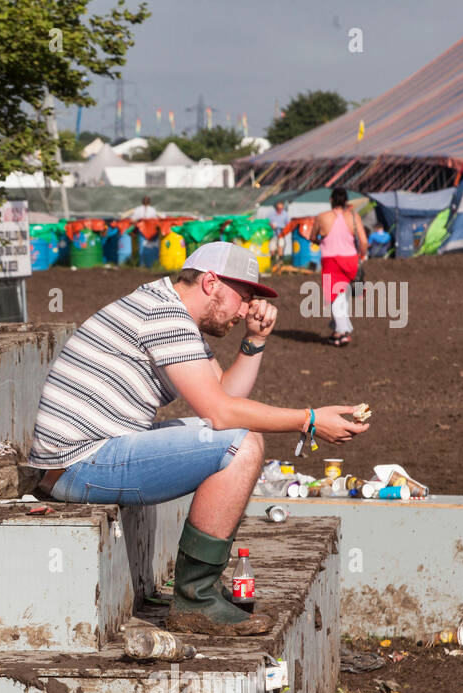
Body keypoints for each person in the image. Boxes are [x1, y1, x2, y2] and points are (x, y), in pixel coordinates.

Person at [26, 241, 368, 636]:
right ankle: (196, 598)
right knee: (241, 444)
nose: (245, 311)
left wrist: (254, 341)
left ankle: (199, 590)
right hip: (79, 463)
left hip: (83, 457)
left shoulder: (167, 309)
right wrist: (308, 420)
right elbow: (222, 414)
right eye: (243, 298)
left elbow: (225, 395)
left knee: (241, 436)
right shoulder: (165, 316)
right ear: (211, 283)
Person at [312, 188, 368, 347]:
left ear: (331, 200)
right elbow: (363, 242)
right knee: (341, 295)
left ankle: (342, 332)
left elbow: (312, 237)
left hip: (331, 261)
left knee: (335, 295)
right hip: (350, 259)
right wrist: (361, 256)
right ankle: (340, 329)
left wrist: (321, 241)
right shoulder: (353, 217)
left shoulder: (322, 217)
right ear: (346, 201)